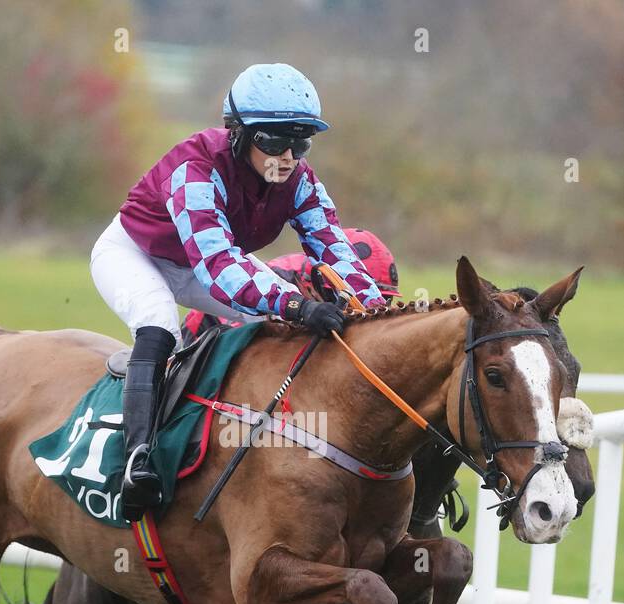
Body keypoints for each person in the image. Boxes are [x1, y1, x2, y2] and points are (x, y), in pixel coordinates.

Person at [89, 63, 387, 521]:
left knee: (276, 327)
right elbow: (221, 266)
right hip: (137, 255)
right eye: (273, 141)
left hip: (203, 265)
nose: (287, 156)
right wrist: (296, 303)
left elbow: (335, 250)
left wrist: (378, 315)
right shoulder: (195, 168)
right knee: (158, 324)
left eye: (300, 141)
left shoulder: (300, 181)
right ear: (237, 134)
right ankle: (137, 460)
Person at [181, 227, 401, 343]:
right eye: (359, 297)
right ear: (326, 286)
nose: (370, 310)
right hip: (203, 331)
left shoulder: (316, 277)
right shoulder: (280, 281)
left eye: (386, 300)